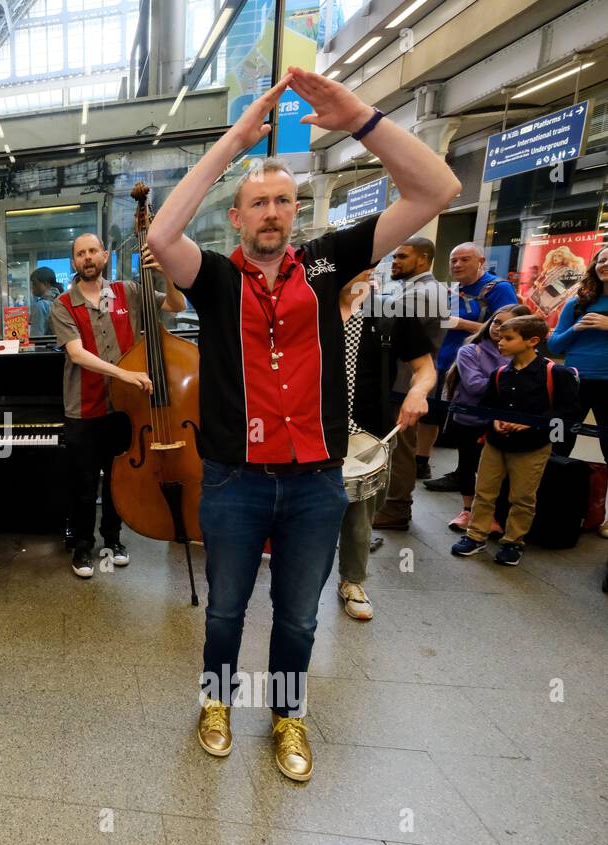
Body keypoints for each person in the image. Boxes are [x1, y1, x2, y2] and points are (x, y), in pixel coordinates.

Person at [145, 67, 460, 782]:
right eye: (258, 203)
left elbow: (438, 190)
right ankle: (215, 701)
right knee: (224, 611)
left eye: (283, 201)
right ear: (238, 214)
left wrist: (358, 118)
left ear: (296, 210)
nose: (272, 213)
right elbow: (163, 234)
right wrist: (235, 142)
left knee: (298, 618)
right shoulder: (217, 279)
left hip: (316, 480)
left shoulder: (328, 262)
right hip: (234, 480)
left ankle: (288, 715)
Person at [51, 232, 184, 578]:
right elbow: (77, 354)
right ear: (74, 262)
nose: (88, 257)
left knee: (116, 479)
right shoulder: (63, 304)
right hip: (83, 410)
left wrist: (165, 274)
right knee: (83, 484)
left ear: (105, 255)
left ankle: (112, 540)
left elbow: (176, 305)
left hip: (124, 410)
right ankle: (82, 546)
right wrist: (124, 374)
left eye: (93, 251)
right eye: (80, 253)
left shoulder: (129, 292)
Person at [336, 268, 435, 620]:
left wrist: (418, 391)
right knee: (303, 512)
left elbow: (425, 368)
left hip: (366, 430)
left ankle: (352, 579)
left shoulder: (390, 313)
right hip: (308, 429)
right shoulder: (309, 308)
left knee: (359, 514)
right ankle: (298, 583)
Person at [451, 314, 579, 565]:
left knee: (522, 497)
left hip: (533, 446)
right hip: (496, 442)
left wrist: (531, 423)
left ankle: (514, 541)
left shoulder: (556, 373)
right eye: (501, 336)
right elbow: (488, 405)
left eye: (509, 338)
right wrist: (494, 420)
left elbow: (568, 411)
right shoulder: (501, 373)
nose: (501, 341)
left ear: (532, 341)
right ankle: (476, 535)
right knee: (484, 491)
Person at [421, 243, 518, 490]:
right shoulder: (452, 289)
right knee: (431, 412)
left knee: (470, 421)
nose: (457, 265)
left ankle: (468, 476)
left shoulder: (498, 289)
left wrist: (463, 324)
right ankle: (422, 461)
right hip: (444, 360)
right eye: (454, 260)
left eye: (465, 260)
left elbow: (508, 330)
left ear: (481, 261)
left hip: (478, 365)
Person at [369, 235, 449, 529]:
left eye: (402, 256)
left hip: (404, 383)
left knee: (399, 448)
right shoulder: (413, 289)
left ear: (424, 259)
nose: (395, 261)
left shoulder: (424, 293)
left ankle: (396, 508)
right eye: (394, 256)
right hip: (398, 381)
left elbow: (398, 333)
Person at [548, 244, 608, 537]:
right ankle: (547, 504)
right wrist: (577, 330)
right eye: (602, 259)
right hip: (575, 381)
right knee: (558, 440)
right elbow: (555, 345)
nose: (605, 264)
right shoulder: (579, 302)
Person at [441, 307, 512, 534]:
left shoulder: (520, 355)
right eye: (496, 322)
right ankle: (468, 510)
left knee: (498, 471)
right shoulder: (471, 350)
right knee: (467, 465)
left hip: (504, 422)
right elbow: (474, 385)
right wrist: (514, 381)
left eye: (506, 325)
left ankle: (491, 514)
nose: (498, 329)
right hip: (469, 419)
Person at [29, 267, 62, 338]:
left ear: (46, 283)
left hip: (45, 348)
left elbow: (36, 337)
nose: (32, 287)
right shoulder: (61, 300)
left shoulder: (41, 305)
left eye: (35, 284)